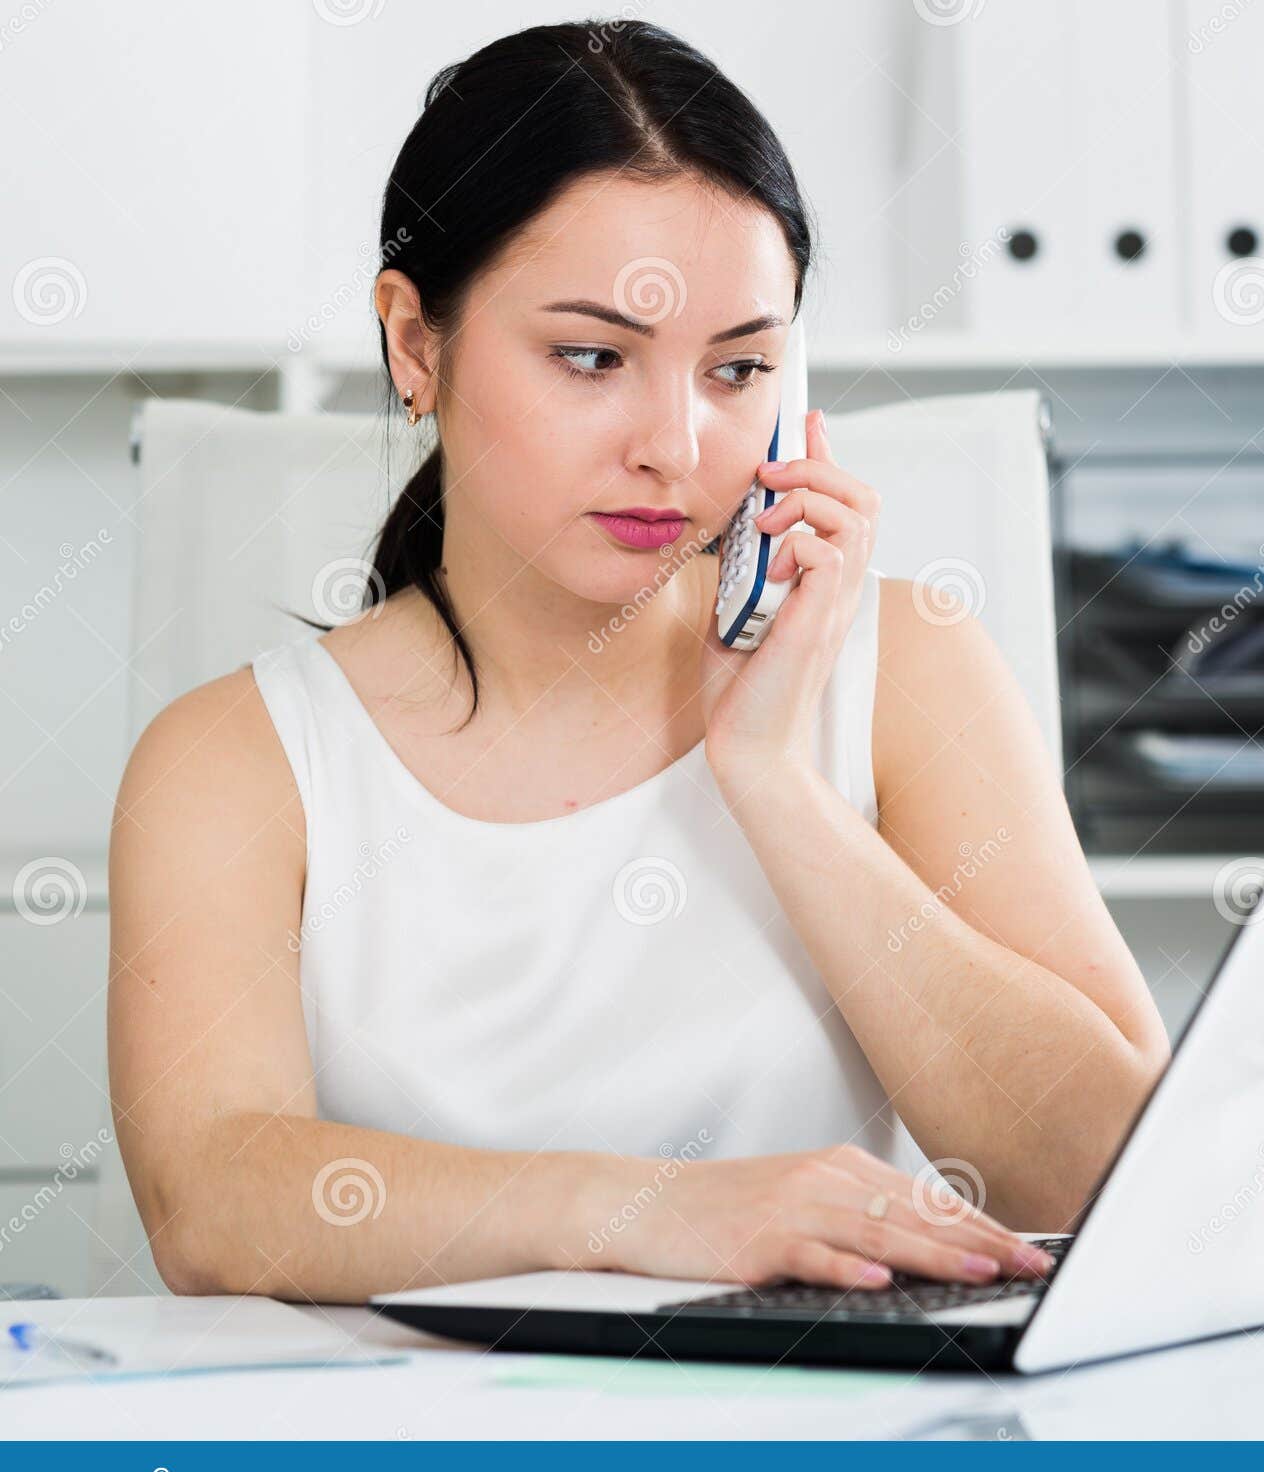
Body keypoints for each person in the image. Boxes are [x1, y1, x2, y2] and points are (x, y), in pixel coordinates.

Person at [107, 20, 1168, 1304]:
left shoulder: (909, 674)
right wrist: (650, 1212)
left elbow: (1115, 1172)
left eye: (738, 368)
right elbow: (210, 1199)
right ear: (415, 342)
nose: (677, 445)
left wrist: (775, 779)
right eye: (594, 357)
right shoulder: (235, 761)